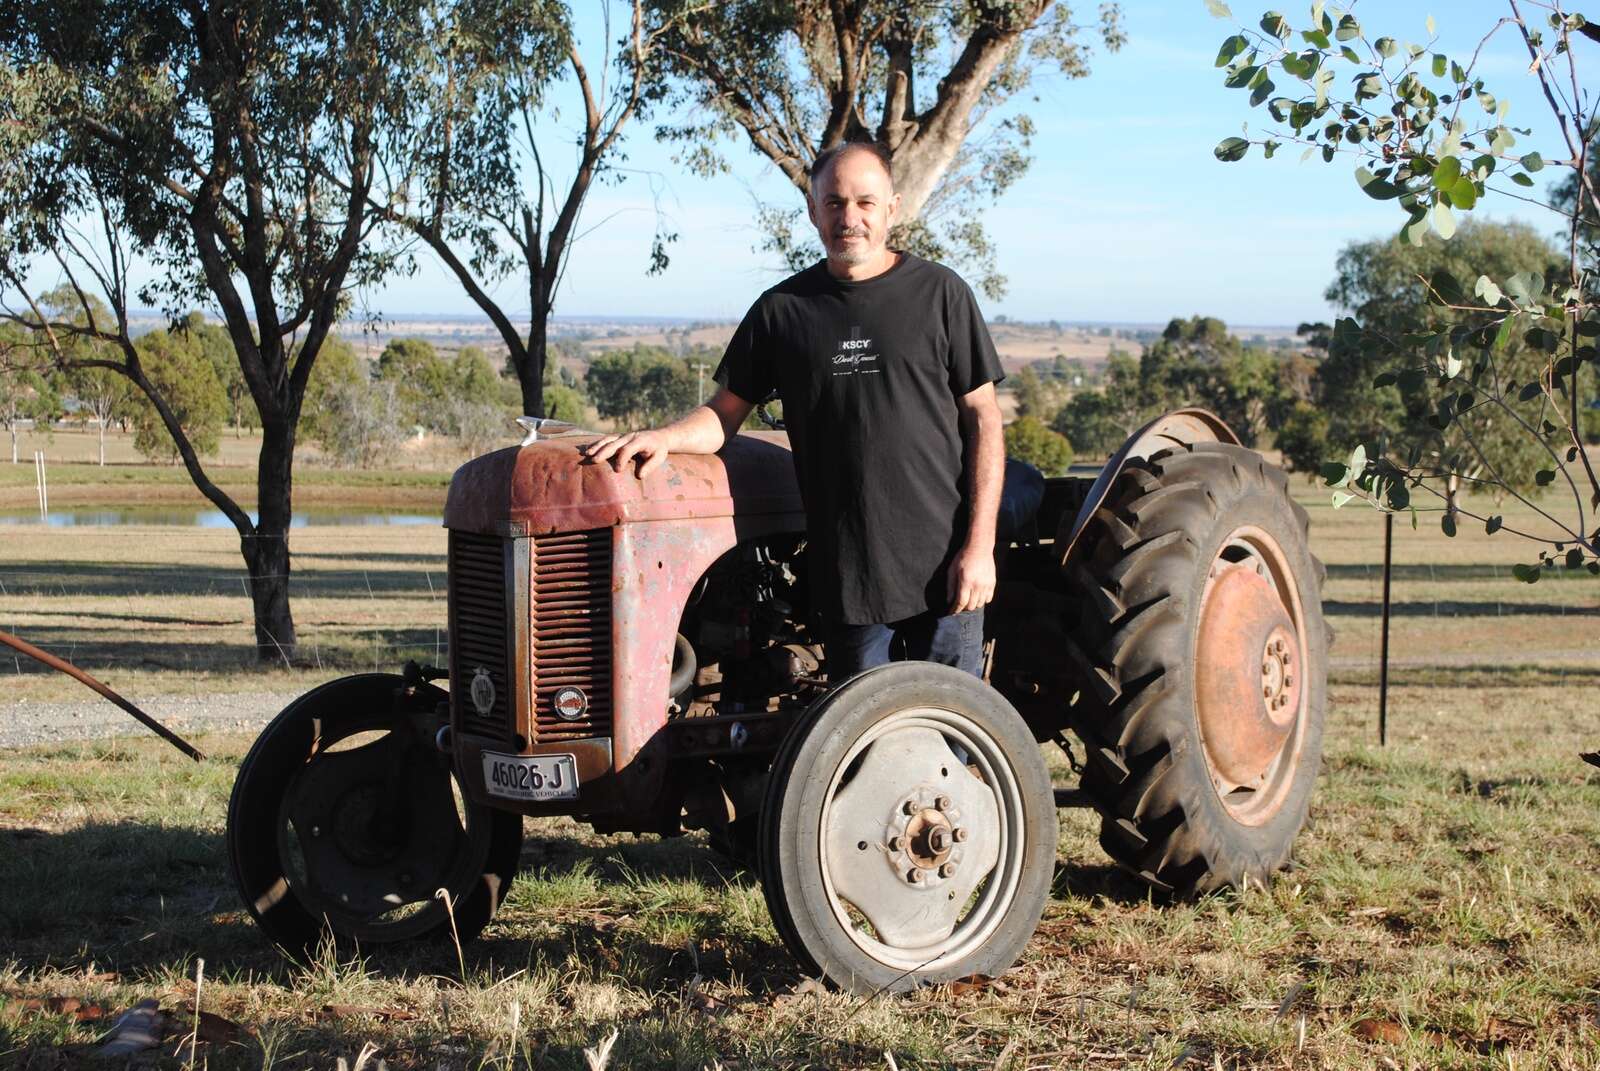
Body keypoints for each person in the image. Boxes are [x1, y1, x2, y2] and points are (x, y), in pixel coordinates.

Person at [583, 141, 1004, 679]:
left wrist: (979, 548)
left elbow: (984, 419)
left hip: (947, 573)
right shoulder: (782, 311)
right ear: (812, 211)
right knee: (860, 747)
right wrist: (664, 438)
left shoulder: (941, 294)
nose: (848, 218)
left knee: (953, 741)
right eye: (833, 203)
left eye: (865, 203)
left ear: (892, 208)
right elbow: (723, 416)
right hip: (848, 579)